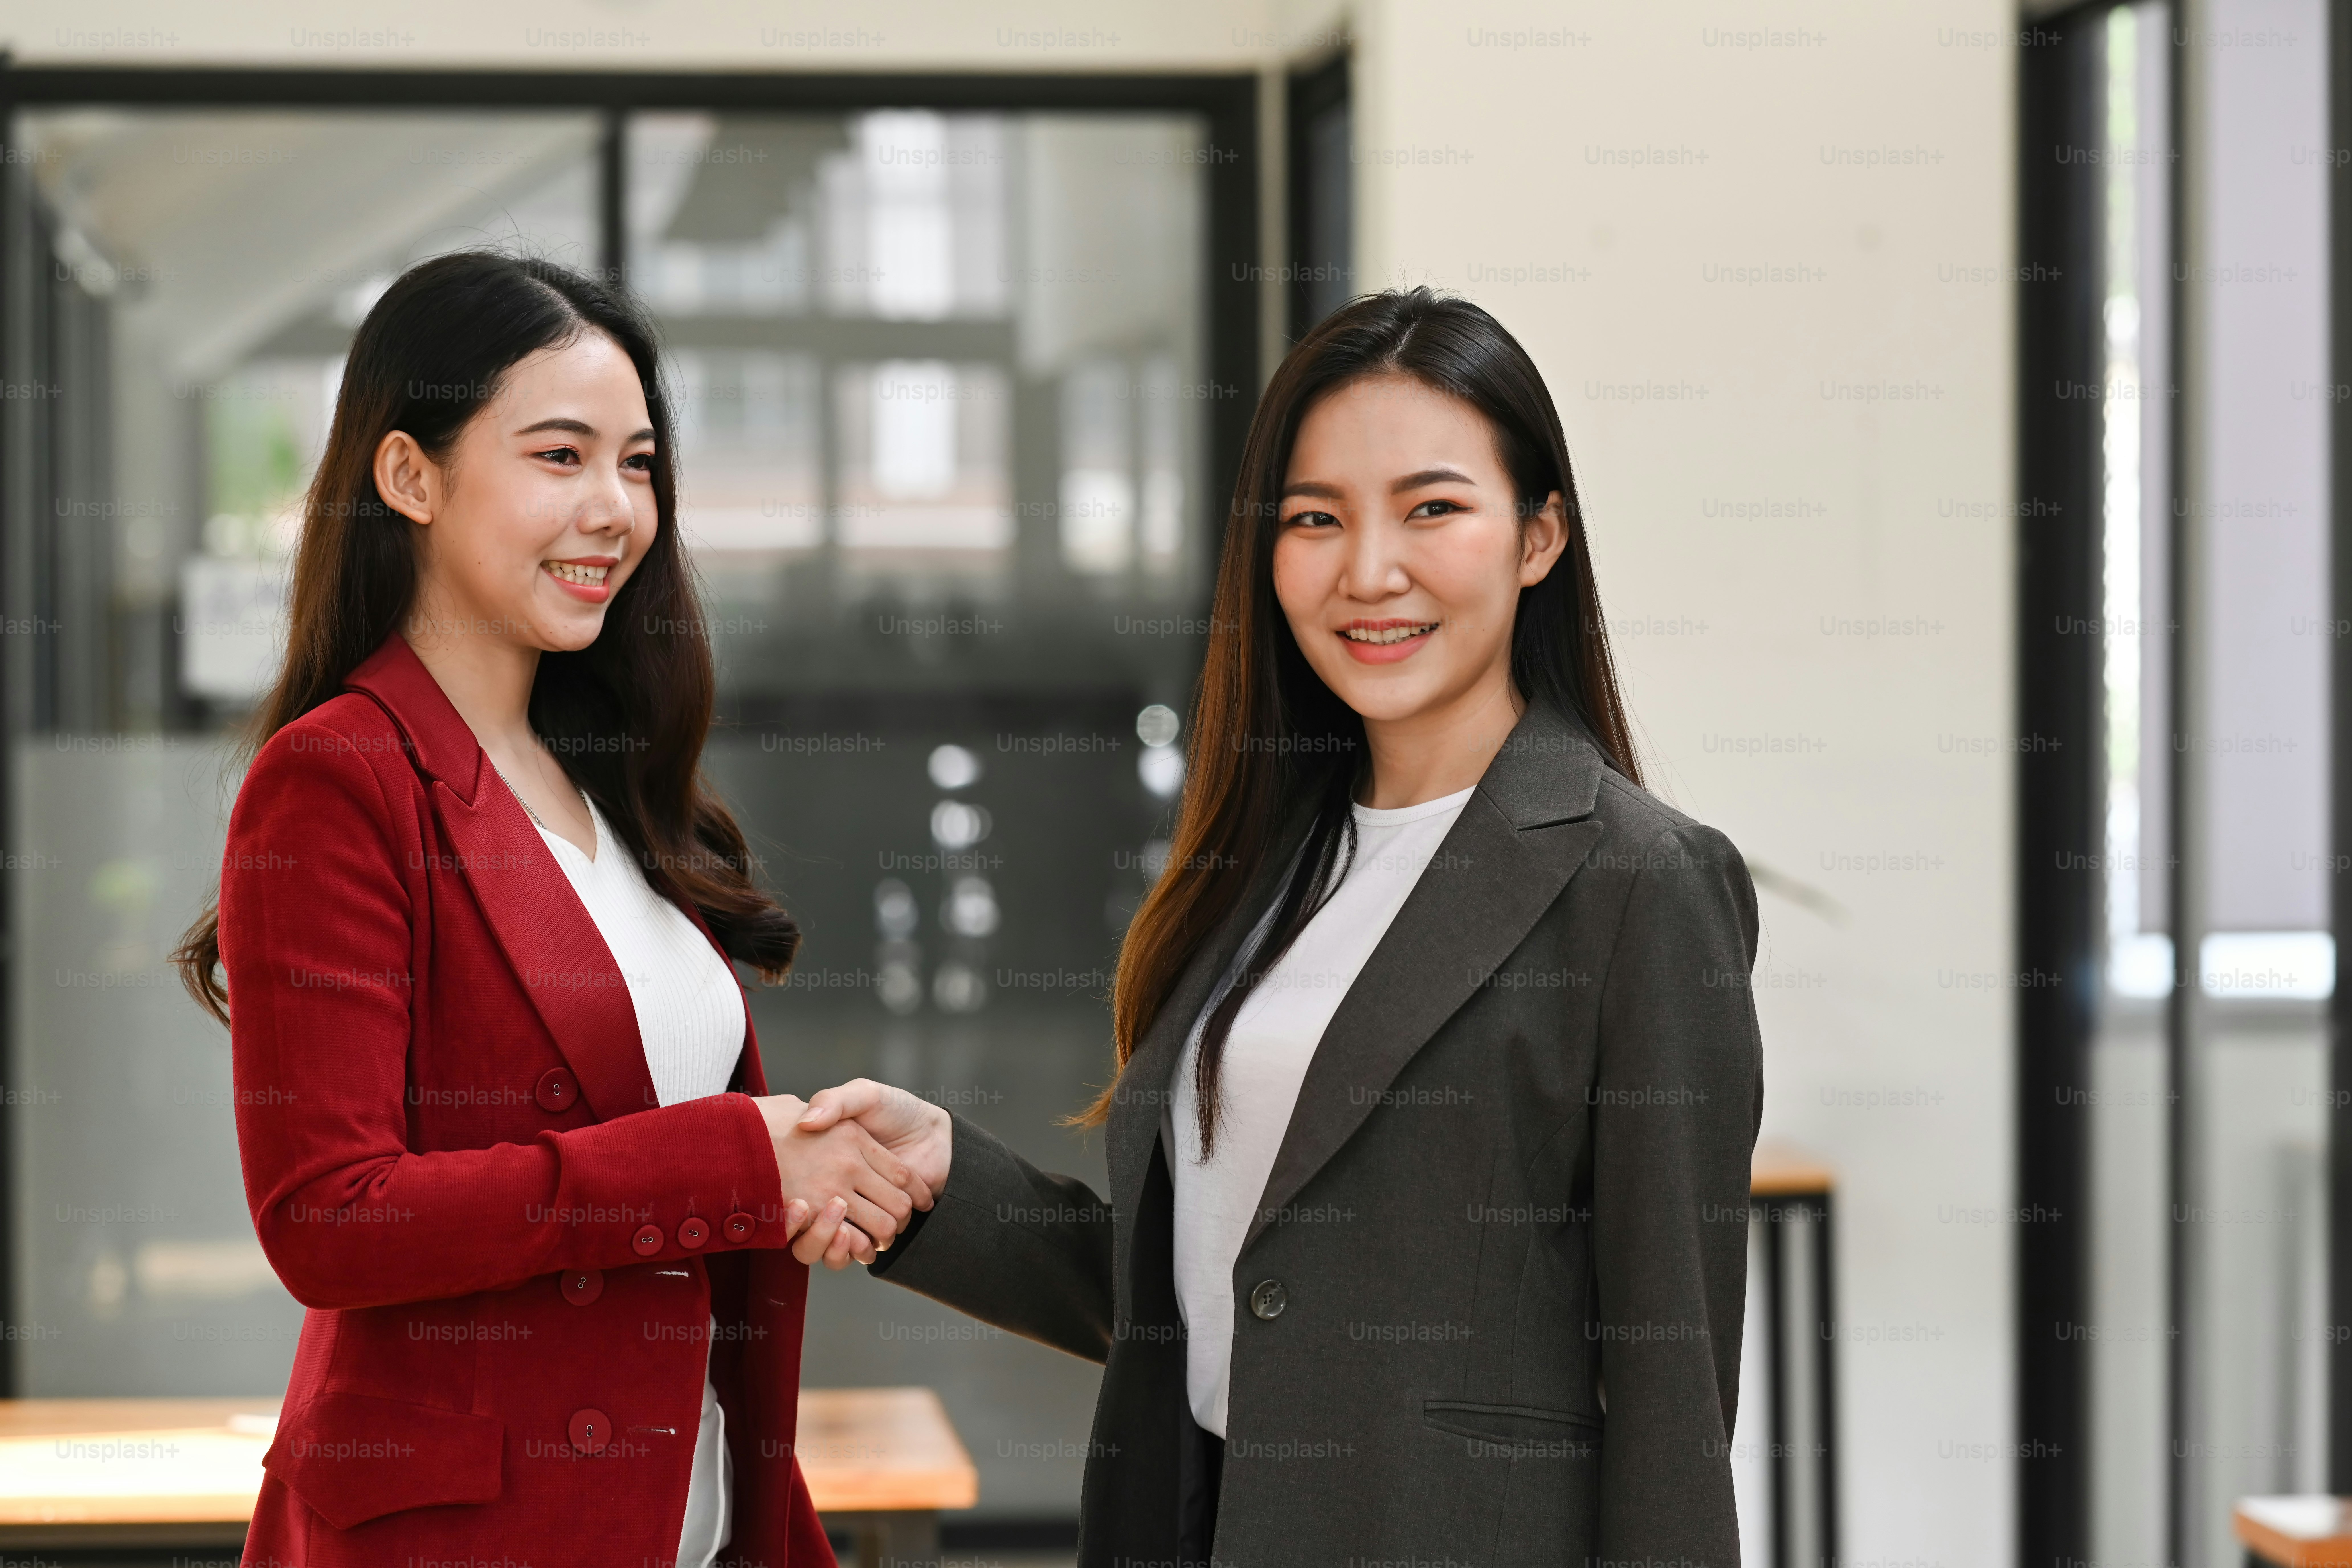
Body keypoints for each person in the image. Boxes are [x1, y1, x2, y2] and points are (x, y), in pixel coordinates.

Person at [800, 288, 1766, 1565]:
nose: (1369, 572)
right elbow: (1224, 1299)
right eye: (1316, 518)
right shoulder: (1267, 861)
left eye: (1432, 508)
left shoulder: (1641, 884)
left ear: (1539, 538)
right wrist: (945, 1184)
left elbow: (1671, 1410)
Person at [174, 251, 918, 1568]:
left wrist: (813, 1163)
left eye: (638, 464)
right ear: (410, 477)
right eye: (561, 455)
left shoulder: (607, 777)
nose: (615, 509)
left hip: (685, 1518)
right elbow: (331, 1214)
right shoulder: (339, 777)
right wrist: (735, 1164)